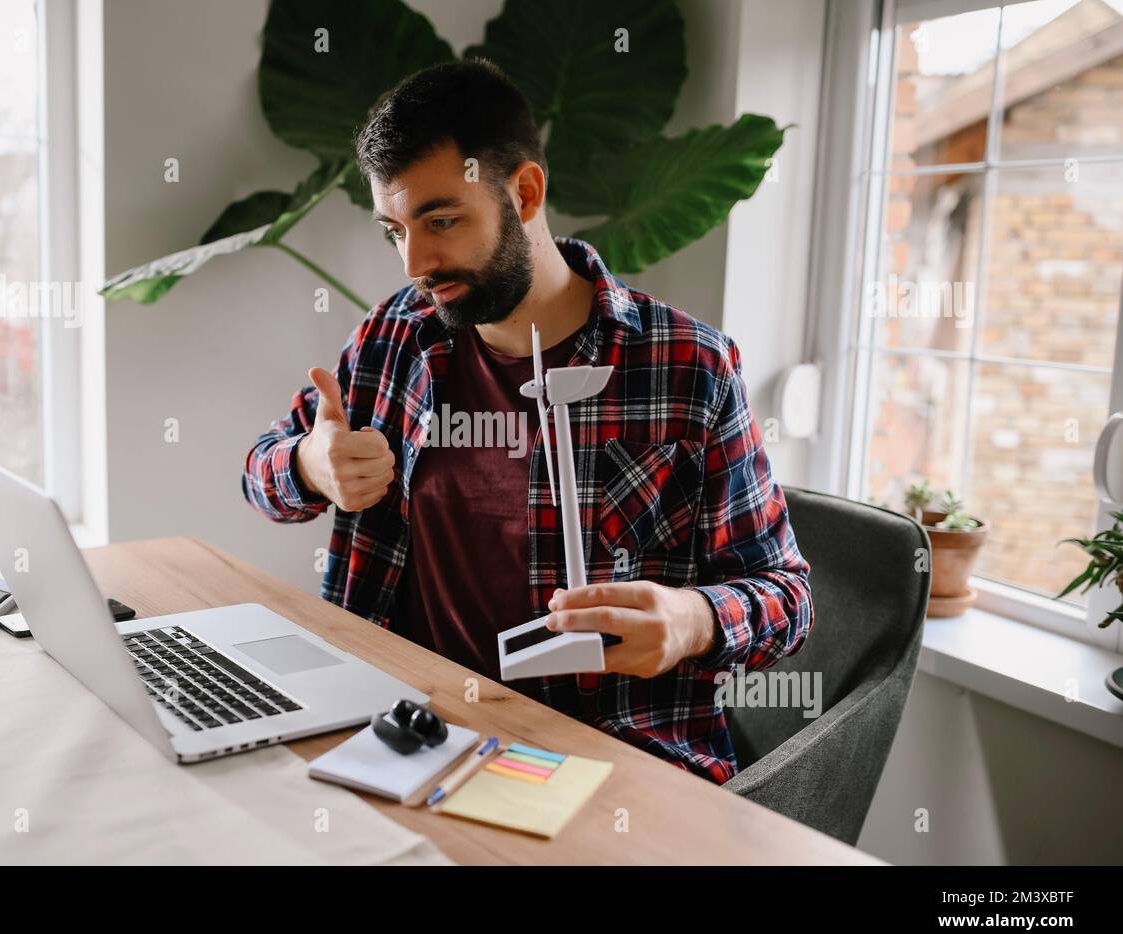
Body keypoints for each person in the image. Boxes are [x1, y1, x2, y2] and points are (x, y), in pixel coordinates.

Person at [243, 59, 812, 784]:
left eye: (441, 220)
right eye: (395, 230)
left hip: (608, 759)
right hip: (403, 730)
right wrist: (306, 465)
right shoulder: (396, 337)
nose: (415, 260)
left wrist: (690, 620)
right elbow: (260, 467)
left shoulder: (688, 366)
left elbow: (786, 594)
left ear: (527, 192)